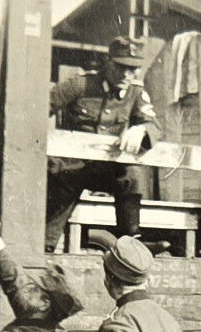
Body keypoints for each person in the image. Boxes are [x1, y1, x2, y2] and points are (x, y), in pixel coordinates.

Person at [47, 36, 158, 247]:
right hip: (72, 167)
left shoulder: (135, 93)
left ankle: (131, 243)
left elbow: (155, 125)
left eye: (133, 69)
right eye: (121, 67)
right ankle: (46, 244)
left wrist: (141, 128)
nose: (127, 74)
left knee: (131, 174)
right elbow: (40, 108)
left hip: (107, 170)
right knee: (60, 185)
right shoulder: (80, 85)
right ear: (108, 62)